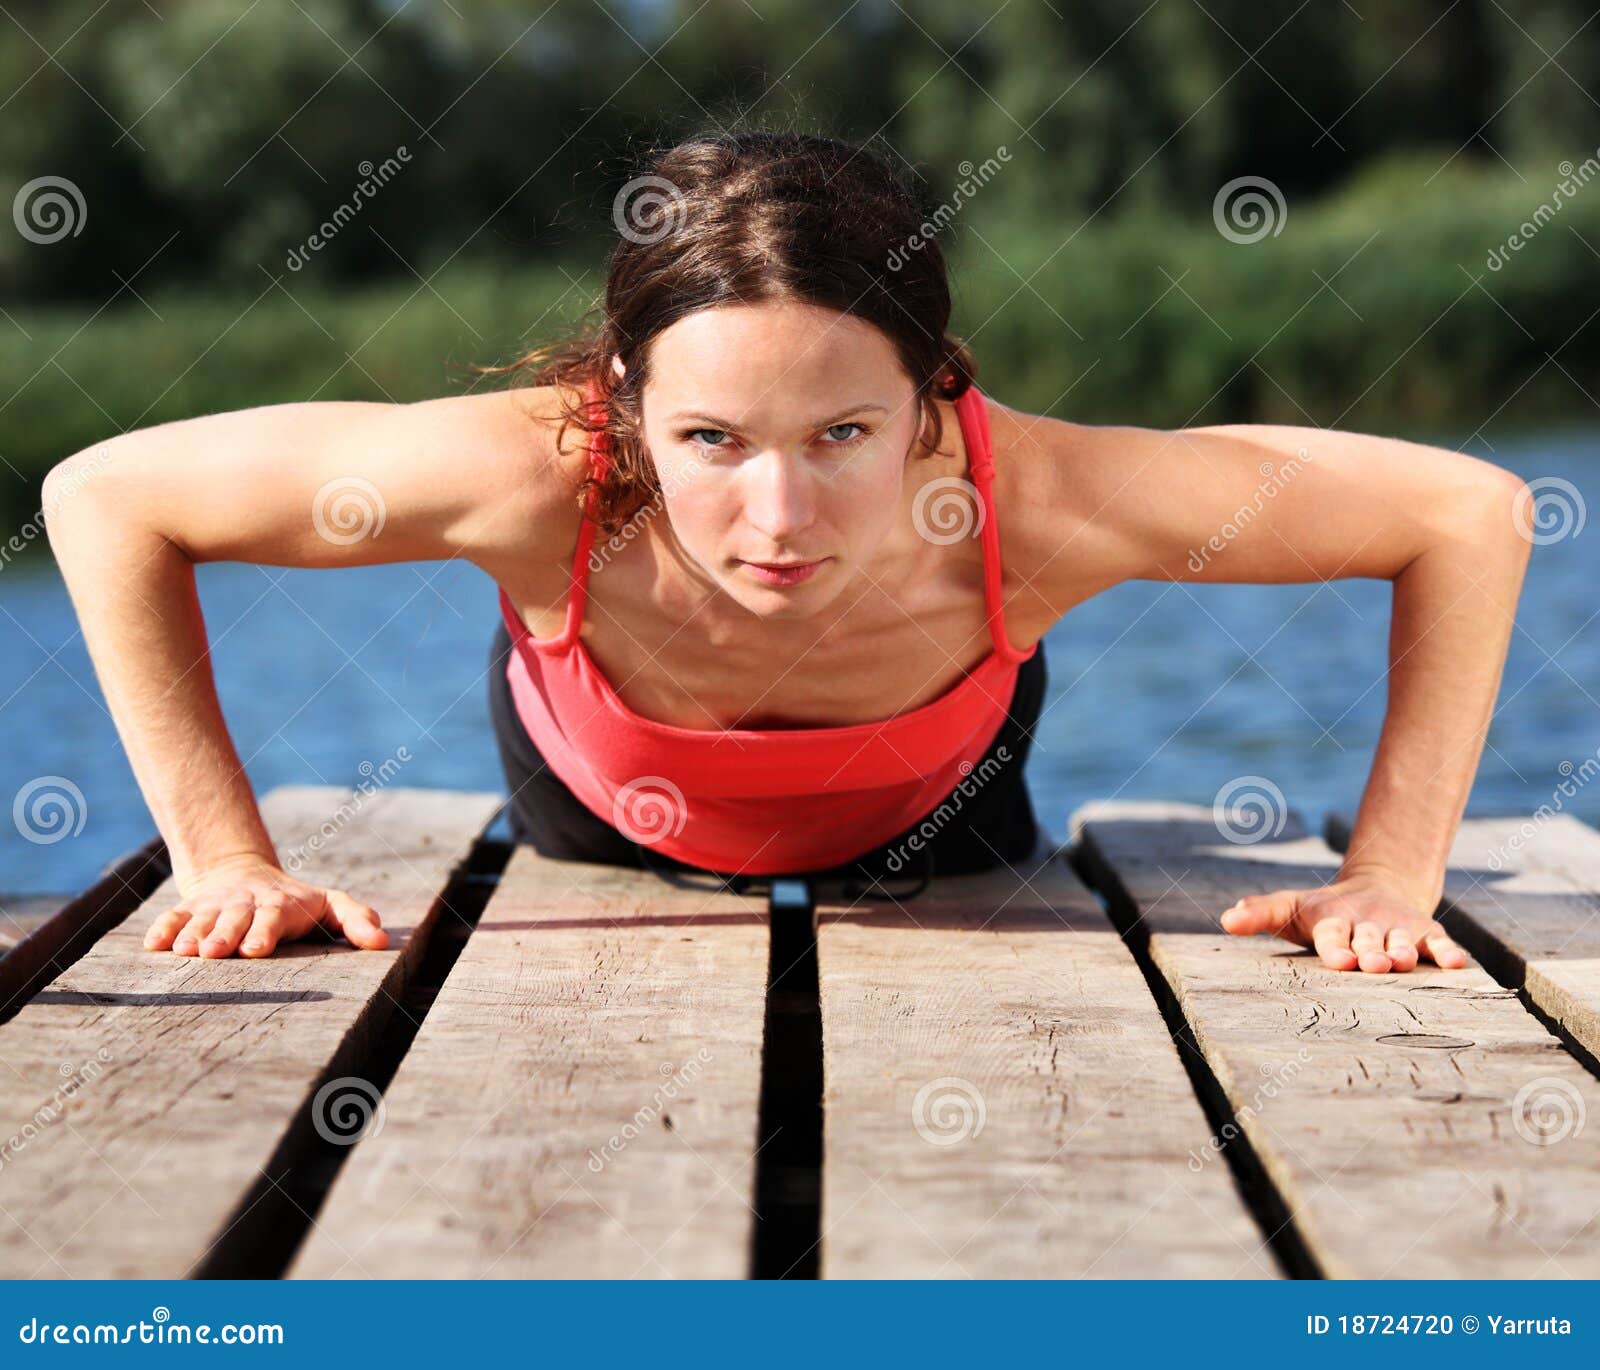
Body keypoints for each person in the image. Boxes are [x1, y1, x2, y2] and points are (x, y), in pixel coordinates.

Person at [43, 130, 1532, 973]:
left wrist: (1389, 877)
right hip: (605, 812)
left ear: (933, 398)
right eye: (710, 443)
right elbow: (109, 496)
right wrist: (225, 854)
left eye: (840, 436)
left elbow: (1467, 514)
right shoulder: (530, 477)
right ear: (624, 405)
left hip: (937, 825)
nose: (778, 520)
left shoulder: (1046, 503)